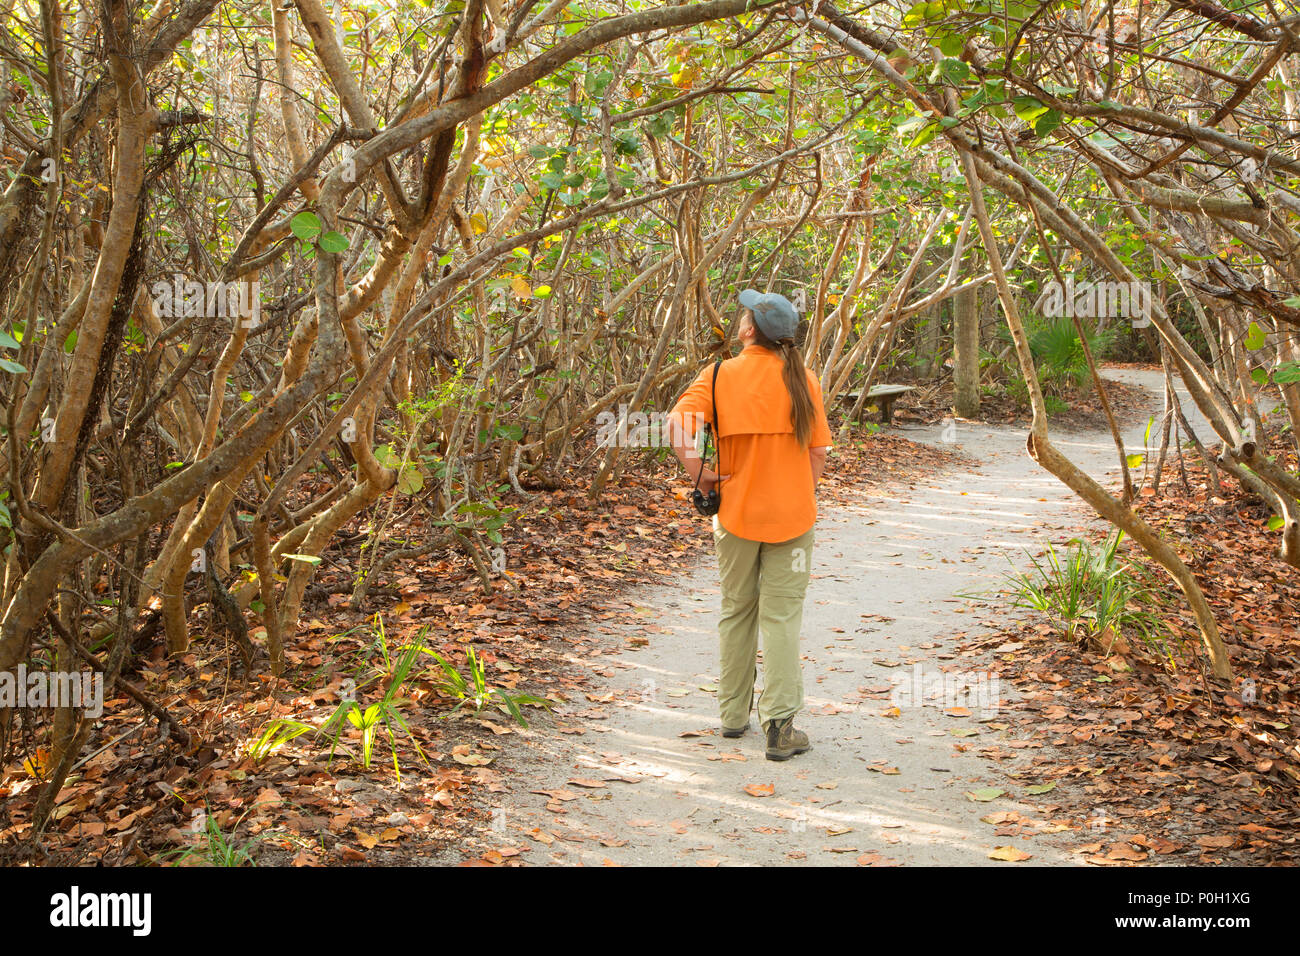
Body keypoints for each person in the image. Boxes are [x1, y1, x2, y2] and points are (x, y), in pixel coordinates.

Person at [666, 289, 833, 761]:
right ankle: (780, 728)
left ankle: (732, 716)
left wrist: (699, 473)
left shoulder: (719, 376)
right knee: (781, 617)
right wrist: (801, 493)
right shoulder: (805, 379)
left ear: (748, 330)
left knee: (737, 609)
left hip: (735, 515)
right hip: (793, 518)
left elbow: (679, 423)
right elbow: (817, 452)